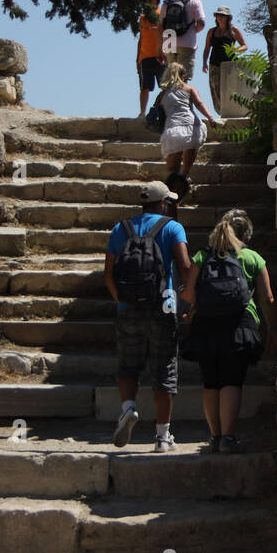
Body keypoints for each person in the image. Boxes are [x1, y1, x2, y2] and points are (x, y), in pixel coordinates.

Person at [104, 181, 193, 452]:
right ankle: (162, 437)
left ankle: (128, 409)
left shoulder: (121, 228)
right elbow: (185, 266)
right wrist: (189, 300)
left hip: (128, 307)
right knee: (164, 367)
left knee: (129, 365)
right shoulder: (172, 227)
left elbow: (108, 274)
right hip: (163, 306)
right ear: (164, 203)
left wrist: (121, 300)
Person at [183, 209, 277, 453]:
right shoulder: (252, 257)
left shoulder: (202, 256)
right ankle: (228, 438)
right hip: (240, 324)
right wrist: (273, 328)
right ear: (246, 235)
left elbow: (189, 295)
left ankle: (215, 436)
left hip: (205, 325)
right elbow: (267, 298)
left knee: (211, 382)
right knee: (232, 381)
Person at [157, 62, 223, 178]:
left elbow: (157, 112)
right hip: (191, 127)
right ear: (182, 76)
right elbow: (199, 104)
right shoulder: (189, 89)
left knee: (172, 170)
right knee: (185, 167)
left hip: (172, 130)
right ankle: (184, 178)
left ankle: (173, 188)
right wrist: (210, 117)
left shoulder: (162, 94)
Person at [201, 6, 247, 114]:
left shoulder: (234, 30)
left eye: (223, 16)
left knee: (230, 90)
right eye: (218, 15)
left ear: (227, 17)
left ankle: (232, 112)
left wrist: (236, 49)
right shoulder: (211, 32)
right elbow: (207, 48)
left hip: (230, 65)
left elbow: (245, 46)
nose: (220, 18)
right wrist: (204, 63)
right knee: (215, 90)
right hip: (214, 64)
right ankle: (221, 112)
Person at [160, 0, 205, 82]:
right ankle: (181, 98)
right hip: (187, 43)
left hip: (169, 43)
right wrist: (194, 30)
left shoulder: (167, 3)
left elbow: (160, 25)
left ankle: (171, 97)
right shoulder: (195, 1)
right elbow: (201, 23)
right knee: (183, 78)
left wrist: (160, 46)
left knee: (171, 78)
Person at [136, 0, 165, 116]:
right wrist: (138, 58)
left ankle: (164, 112)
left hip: (160, 56)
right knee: (144, 87)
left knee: (165, 86)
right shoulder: (142, 18)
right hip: (145, 57)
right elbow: (141, 38)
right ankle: (142, 113)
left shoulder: (162, 14)